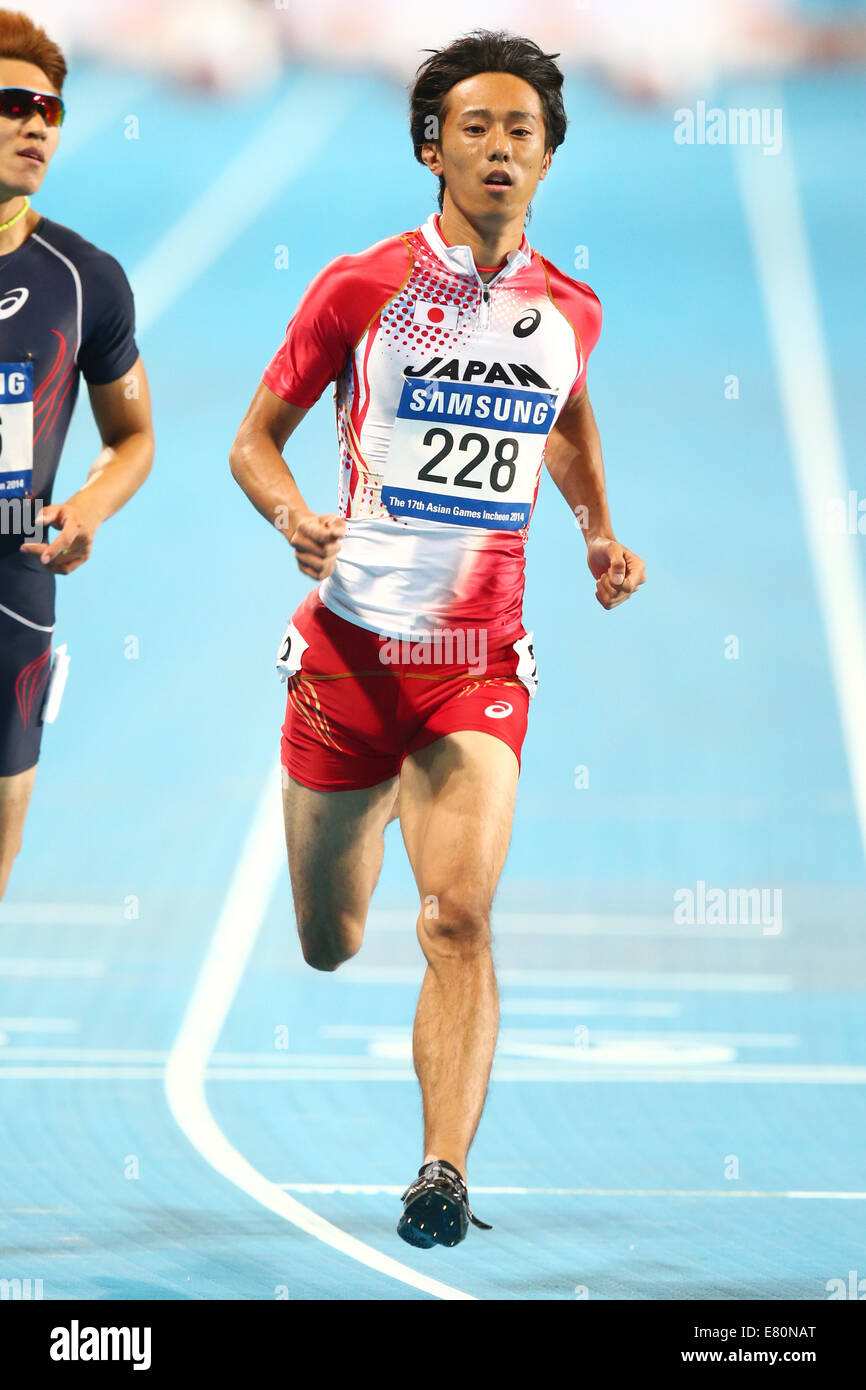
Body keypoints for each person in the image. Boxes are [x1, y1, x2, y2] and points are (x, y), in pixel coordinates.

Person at [230, 28, 646, 1249]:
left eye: (521, 131)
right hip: (350, 659)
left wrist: (596, 530)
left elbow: (563, 420)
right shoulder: (362, 289)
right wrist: (293, 514)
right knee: (328, 941)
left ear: (548, 158)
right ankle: (359, 810)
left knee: (456, 918)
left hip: (476, 666)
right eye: (474, 128)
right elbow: (254, 437)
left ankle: (440, 1171)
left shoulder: (570, 310)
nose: (499, 148)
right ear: (431, 149)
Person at [0, 9, 154, 899]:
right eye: (16, 103)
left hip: (13, 582)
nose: (37, 125)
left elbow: (131, 436)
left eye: (51, 110)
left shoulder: (83, 278)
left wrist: (87, 507)